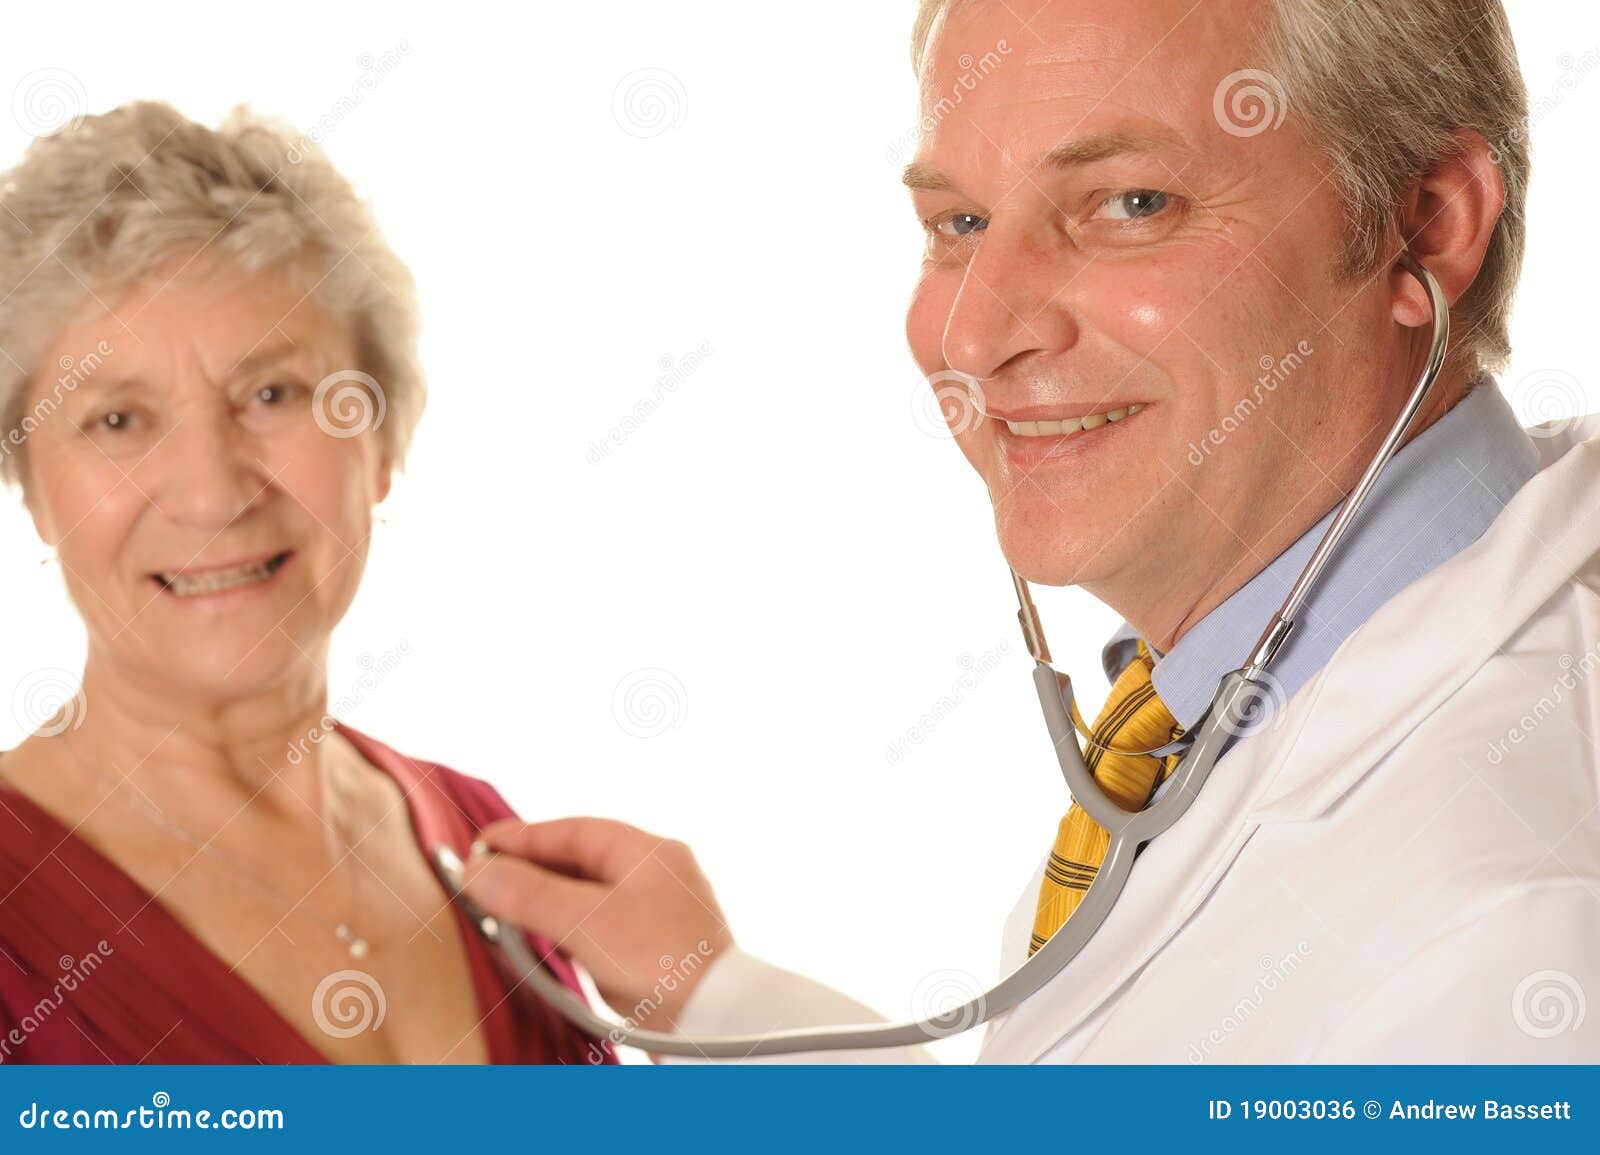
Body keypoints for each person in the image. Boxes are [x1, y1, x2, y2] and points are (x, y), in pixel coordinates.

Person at [459, 0, 1599, 1063]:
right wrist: (713, 993)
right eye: (958, 222)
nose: (973, 330)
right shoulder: (1264, 691)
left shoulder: (1510, 927)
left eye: (1128, 204)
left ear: (1425, 225)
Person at [0, 102, 614, 1065]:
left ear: (382, 440)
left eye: (274, 393)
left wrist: (727, 1002)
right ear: (31, 488)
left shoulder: (492, 842)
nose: (210, 494)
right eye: (117, 420)